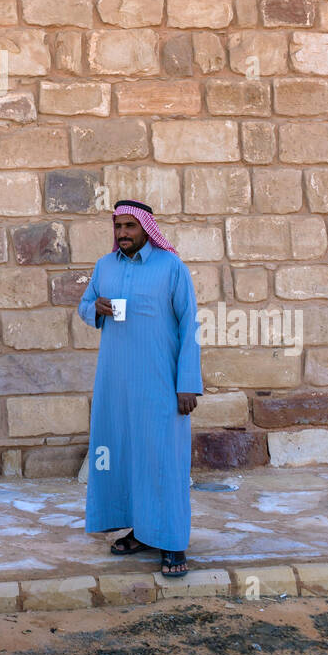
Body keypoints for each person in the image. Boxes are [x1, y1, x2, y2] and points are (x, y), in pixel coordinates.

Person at [78, 200, 202, 578]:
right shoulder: (104, 266)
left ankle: (172, 541)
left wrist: (188, 385)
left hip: (161, 386)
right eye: (118, 227)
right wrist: (94, 308)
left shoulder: (171, 268)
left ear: (146, 228)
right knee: (124, 456)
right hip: (115, 386)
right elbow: (84, 307)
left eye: (130, 226)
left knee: (163, 459)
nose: (123, 234)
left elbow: (189, 328)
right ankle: (142, 532)